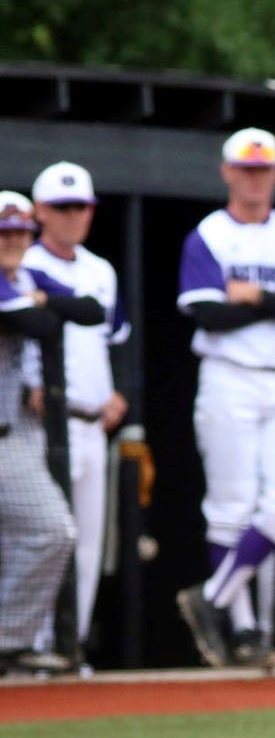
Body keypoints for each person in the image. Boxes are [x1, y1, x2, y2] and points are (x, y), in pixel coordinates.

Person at [174, 127, 275, 668]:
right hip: (228, 376)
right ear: (226, 172)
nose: (254, 177)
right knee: (229, 509)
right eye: (245, 168)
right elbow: (206, 311)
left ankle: (212, 598)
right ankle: (243, 632)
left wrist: (251, 295)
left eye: (263, 168)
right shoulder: (208, 234)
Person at [21, 162, 131, 664]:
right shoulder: (22, 263)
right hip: (43, 424)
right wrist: (30, 386)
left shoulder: (100, 269)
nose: (72, 216)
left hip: (93, 420)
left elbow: (118, 339)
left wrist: (121, 390)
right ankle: (34, 642)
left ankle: (71, 644)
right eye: (61, 207)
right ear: (39, 211)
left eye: (81, 206)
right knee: (47, 536)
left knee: (88, 542)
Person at [0, 191, 106, 673]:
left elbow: (90, 310)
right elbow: (35, 320)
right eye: (4, 233)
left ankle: (9, 640)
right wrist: (43, 302)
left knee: (55, 531)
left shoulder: (25, 276)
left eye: (21, 232)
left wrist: (43, 296)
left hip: (11, 437)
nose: (14, 241)